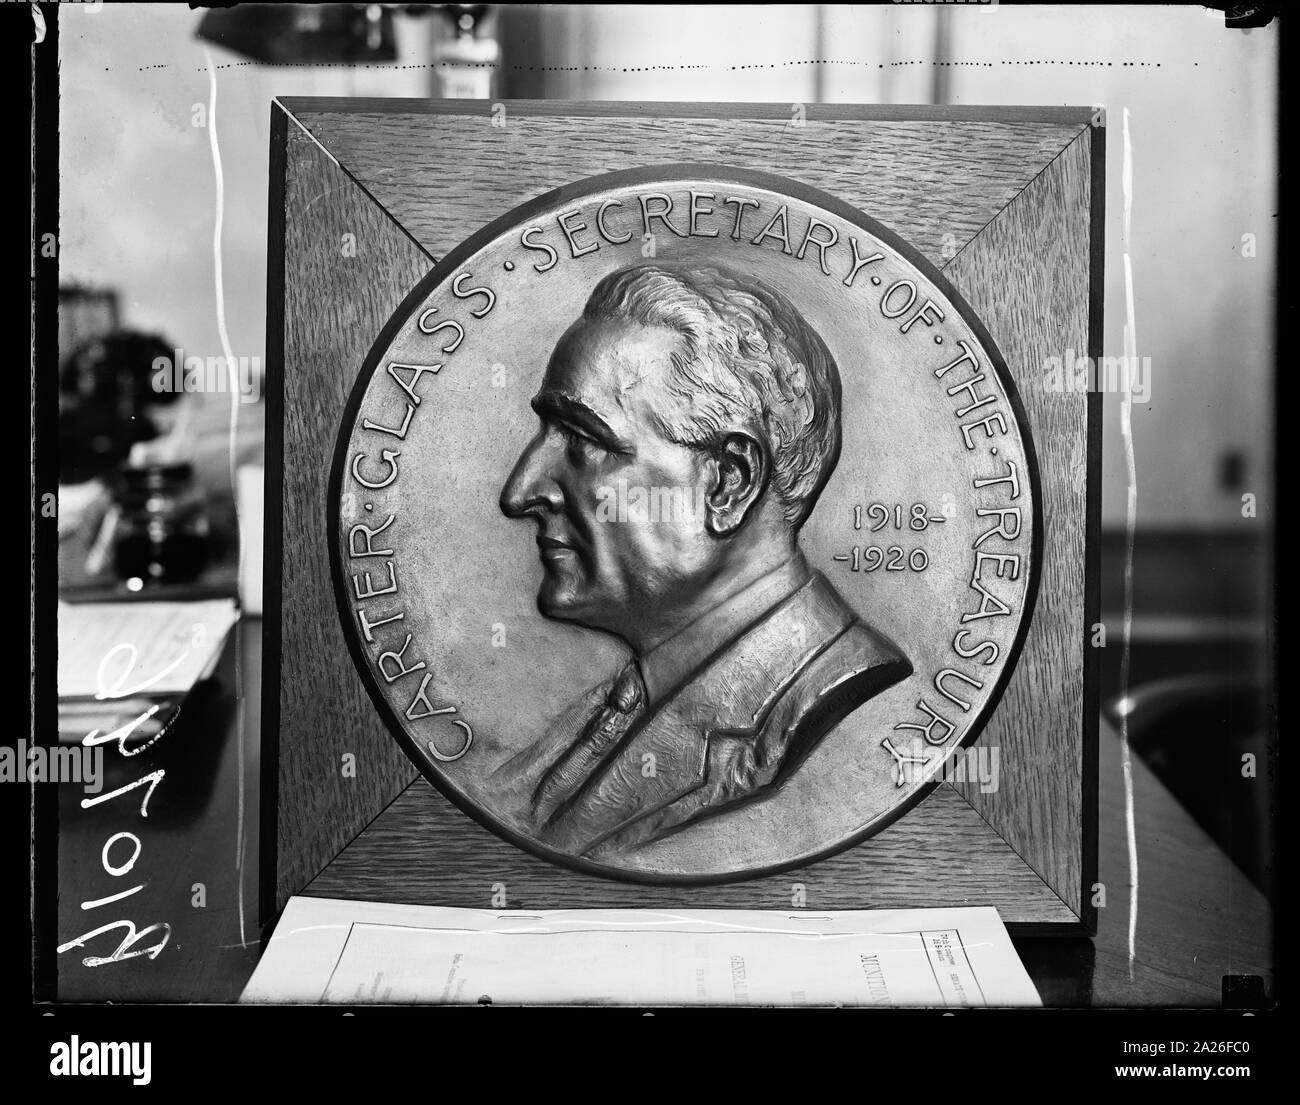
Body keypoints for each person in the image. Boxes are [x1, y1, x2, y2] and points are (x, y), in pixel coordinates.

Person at [495, 262, 911, 859]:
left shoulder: (805, 700)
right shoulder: (610, 705)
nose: (521, 492)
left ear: (729, 483)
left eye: (583, 441)